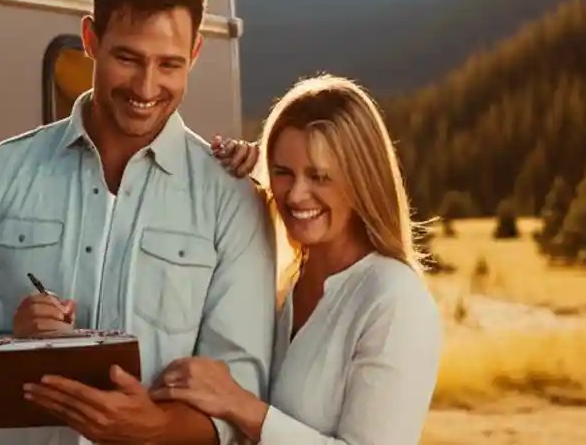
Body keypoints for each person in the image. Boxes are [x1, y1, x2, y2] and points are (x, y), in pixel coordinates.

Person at [0, 0, 276, 445]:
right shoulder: (2, 173)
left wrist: (151, 428)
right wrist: (8, 348)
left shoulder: (232, 198)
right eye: (127, 58)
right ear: (90, 39)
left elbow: (242, 387)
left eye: (169, 64)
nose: (147, 87)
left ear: (195, 54)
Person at [153, 74, 443, 444]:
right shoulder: (284, 283)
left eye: (320, 177)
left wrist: (239, 405)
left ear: (362, 180)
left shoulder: (395, 300)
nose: (295, 195)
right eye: (283, 173)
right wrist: (238, 174)